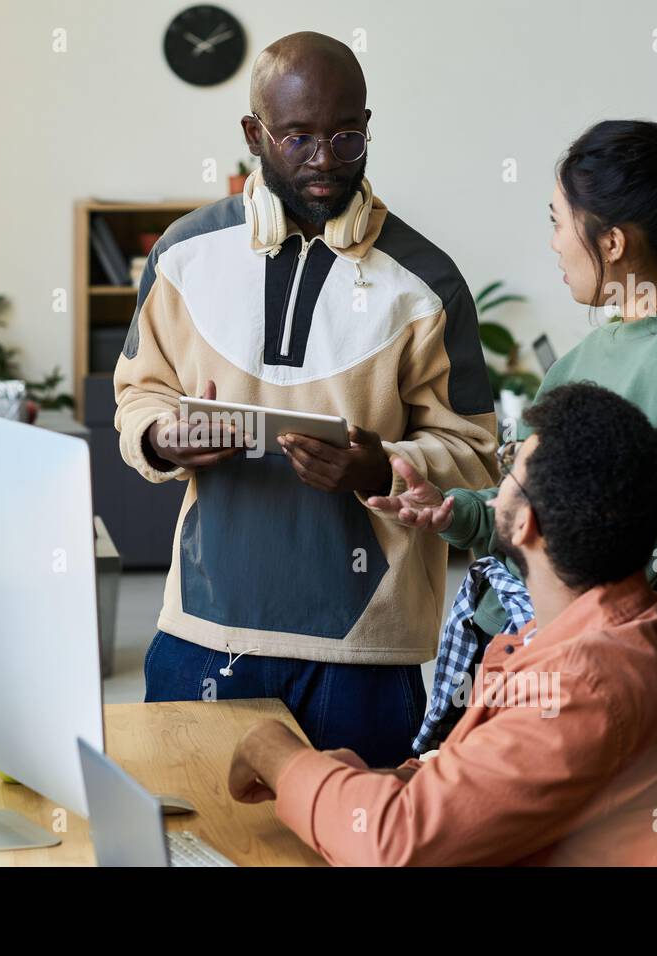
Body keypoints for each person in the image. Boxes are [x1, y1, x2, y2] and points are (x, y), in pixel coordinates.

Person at [113, 32, 496, 768]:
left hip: (365, 658)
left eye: (347, 136)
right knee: (191, 842)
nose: (326, 159)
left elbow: (476, 459)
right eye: (299, 138)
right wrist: (166, 436)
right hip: (203, 633)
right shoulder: (183, 255)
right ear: (254, 134)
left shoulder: (426, 282)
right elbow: (138, 394)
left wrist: (379, 469)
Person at [366, 120, 657, 752]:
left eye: (556, 222)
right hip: (506, 647)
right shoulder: (586, 359)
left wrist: (624, 471)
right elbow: (532, 514)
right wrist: (454, 513)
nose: (552, 244)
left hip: (558, 670)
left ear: (614, 243)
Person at [228, 383, 657, 866]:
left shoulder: (580, 688)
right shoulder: (602, 633)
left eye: (511, 470)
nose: (497, 489)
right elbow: (481, 790)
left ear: (526, 524)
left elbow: (394, 843)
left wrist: (274, 751)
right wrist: (381, 783)